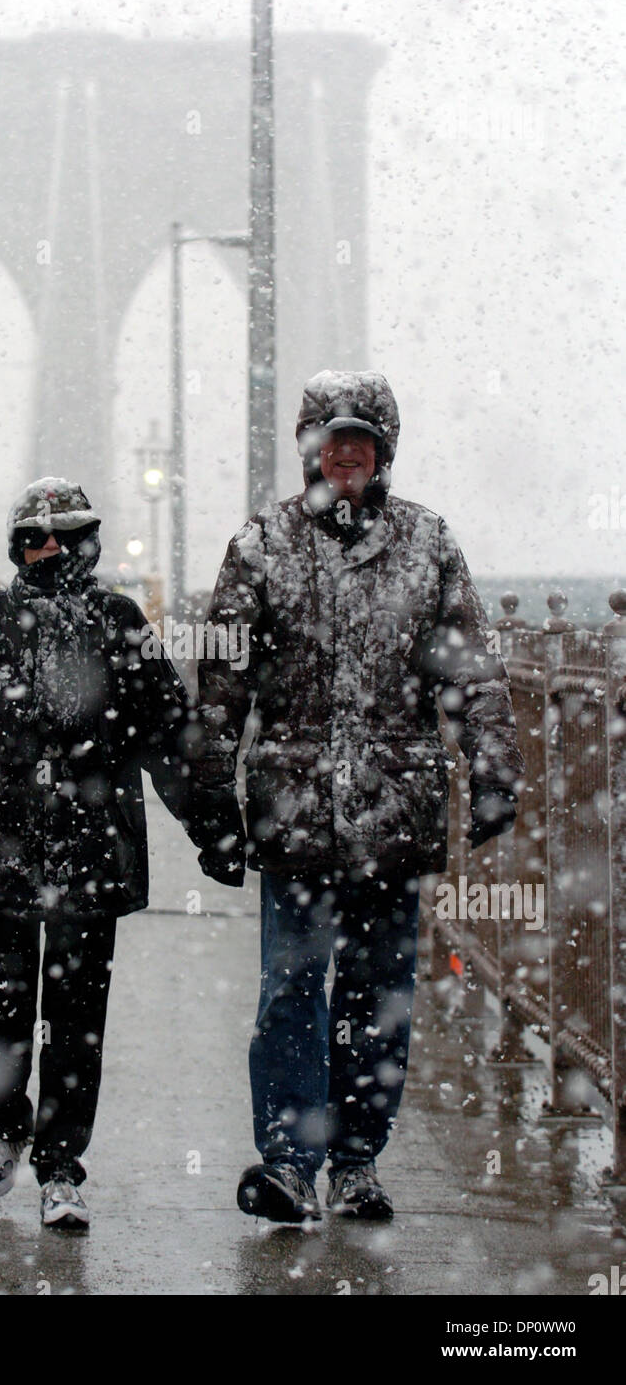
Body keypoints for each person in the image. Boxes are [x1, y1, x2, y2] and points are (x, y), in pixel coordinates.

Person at [192, 370, 525, 1224]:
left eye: (360, 442)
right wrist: (210, 806)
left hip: (393, 815)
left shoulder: (427, 544)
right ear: (309, 448)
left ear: (382, 453)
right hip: (292, 815)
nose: (343, 456)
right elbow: (221, 683)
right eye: (330, 441)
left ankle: (354, 1161)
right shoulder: (259, 545)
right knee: (290, 991)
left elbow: (468, 670)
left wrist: (492, 769)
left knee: (377, 997)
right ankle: (289, 1163)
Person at [0, 477, 193, 1229]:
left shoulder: (119, 622)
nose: (48, 550)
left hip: (89, 854)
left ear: (87, 542)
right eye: (33, 538)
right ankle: (6, 1127)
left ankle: (61, 1168)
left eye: (62, 537)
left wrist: (214, 828)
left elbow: (170, 736)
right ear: (15, 548)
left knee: (74, 1020)